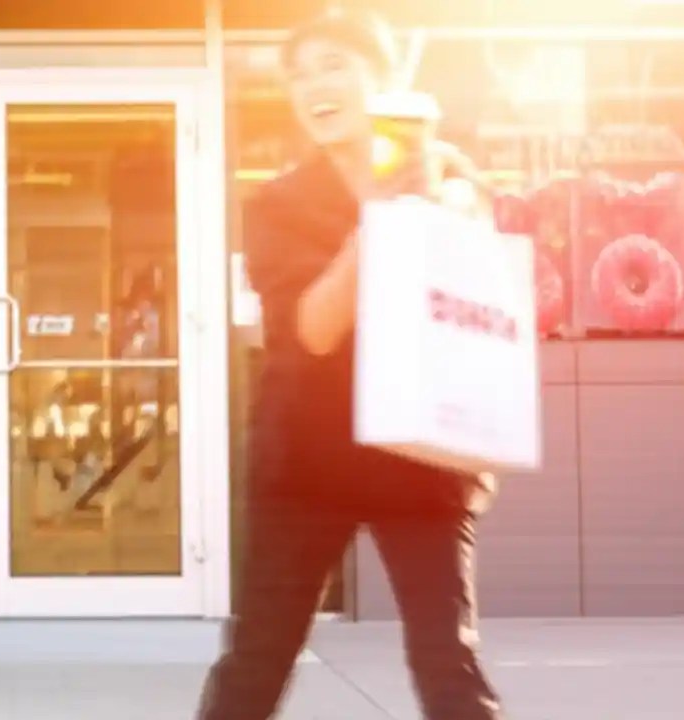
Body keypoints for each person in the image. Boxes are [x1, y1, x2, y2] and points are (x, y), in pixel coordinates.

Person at [197, 9, 504, 720]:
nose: (315, 86)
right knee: (259, 660)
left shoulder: (448, 177)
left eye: (335, 64)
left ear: (384, 79)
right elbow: (312, 329)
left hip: (424, 454)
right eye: (299, 75)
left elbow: (476, 289)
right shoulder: (278, 203)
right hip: (307, 460)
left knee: (447, 663)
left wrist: (444, 200)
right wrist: (380, 221)